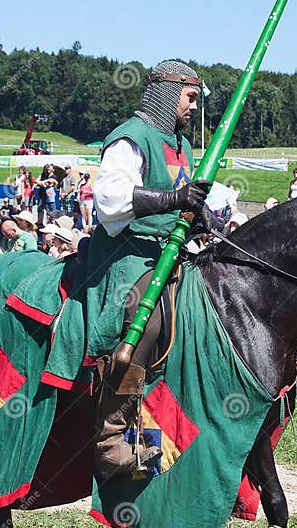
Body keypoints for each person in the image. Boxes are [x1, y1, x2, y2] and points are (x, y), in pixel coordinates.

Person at [90, 59, 212, 479]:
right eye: (190, 97)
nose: (194, 107)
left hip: (169, 252)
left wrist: (200, 215)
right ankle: (110, 437)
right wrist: (176, 200)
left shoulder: (182, 146)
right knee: (150, 317)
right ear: (166, 91)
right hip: (125, 253)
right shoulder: (131, 138)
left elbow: (182, 201)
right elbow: (110, 204)